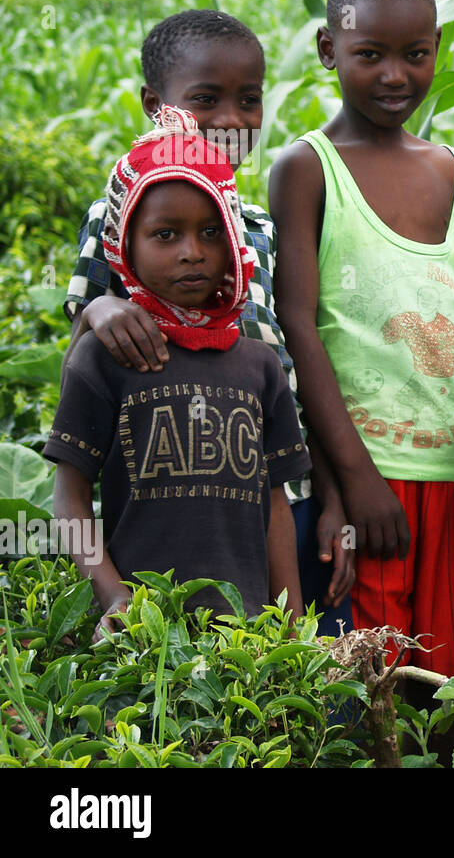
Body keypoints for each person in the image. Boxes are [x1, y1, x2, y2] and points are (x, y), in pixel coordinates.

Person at [62, 10, 353, 634]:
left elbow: (296, 368)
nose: (230, 119)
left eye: (249, 100)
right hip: (163, 503)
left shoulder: (263, 232)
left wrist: (332, 496)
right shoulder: (122, 213)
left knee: (287, 665)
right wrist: (98, 307)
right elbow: (79, 374)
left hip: (277, 495)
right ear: (154, 103)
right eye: (205, 99)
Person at [270, 0, 454, 677]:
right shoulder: (309, 168)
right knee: (374, 689)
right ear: (328, 49)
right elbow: (301, 326)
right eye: (369, 55)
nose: (394, 76)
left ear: (437, 48)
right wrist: (357, 478)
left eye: (415, 55)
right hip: (373, 482)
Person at [46, 115, 307, 629]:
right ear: (123, 244)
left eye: (212, 232)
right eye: (165, 234)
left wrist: (292, 628)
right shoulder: (105, 356)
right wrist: (115, 598)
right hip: (140, 636)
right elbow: (68, 498)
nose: (193, 252)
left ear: (234, 239)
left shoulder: (259, 364)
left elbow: (275, 508)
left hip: (245, 639)